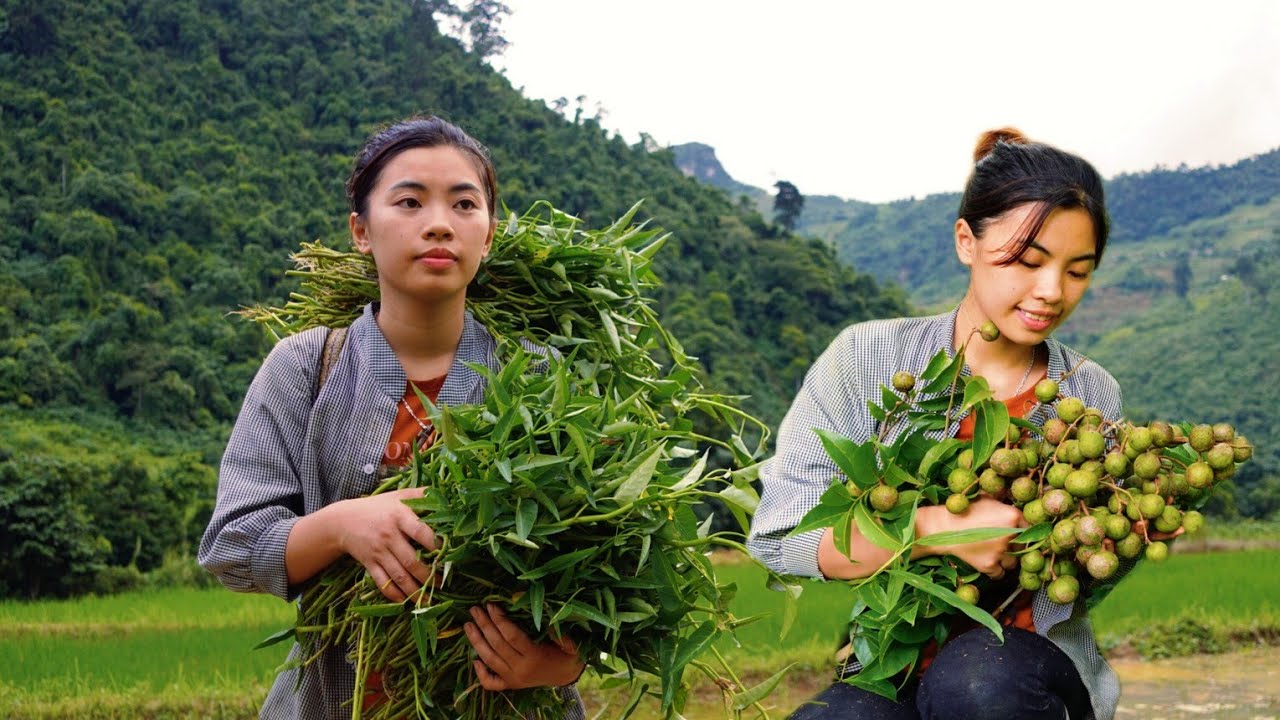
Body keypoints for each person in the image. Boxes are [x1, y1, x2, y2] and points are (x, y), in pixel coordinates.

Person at [748, 128, 1147, 720]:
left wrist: (1121, 532)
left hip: (1020, 674)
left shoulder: (1088, 394)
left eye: (1077, 271)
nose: (1050, 292)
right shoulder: (865, 361)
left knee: (977, 685)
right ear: (967, 240)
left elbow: (1077, 581)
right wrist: (935, 528)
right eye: (1026, 261)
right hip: (892, 659)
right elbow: (780, 534)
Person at [198, 116, 586, 720]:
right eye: (409, 201)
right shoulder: (306, 364)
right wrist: (343, 525)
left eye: (464, 204)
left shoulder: (540, 376)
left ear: (487, 237)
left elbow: (596, 561)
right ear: (361, 231)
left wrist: (566, 662)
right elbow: (233, 546)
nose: (438, 223)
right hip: (339, 702)